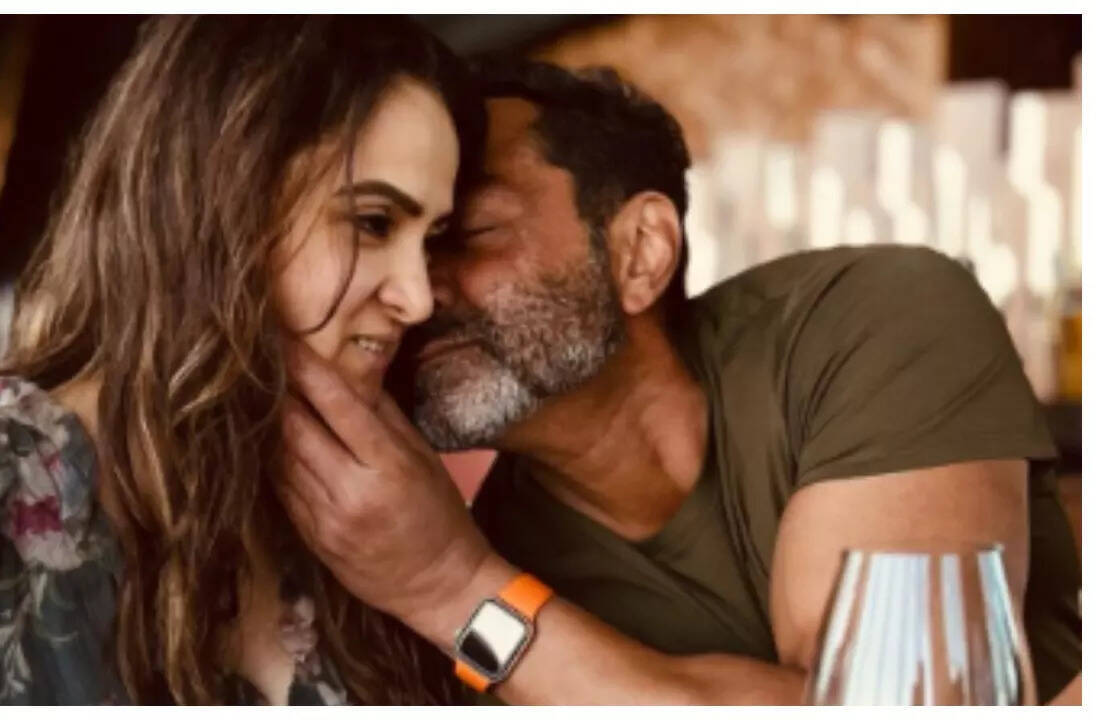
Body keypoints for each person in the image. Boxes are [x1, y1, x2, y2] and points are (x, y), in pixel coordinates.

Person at [278, 61, 1082, 704]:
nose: (417, 292)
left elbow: (902, 703)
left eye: (469, 234)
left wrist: (452, 590)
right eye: (394, 236)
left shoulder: (874, 317)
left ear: (641, 251)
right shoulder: (489, 543)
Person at [0, 15, 485, 705]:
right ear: (224, 198)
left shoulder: (368, 519)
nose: (418, 296)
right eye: (373, 223)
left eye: (431, 240)